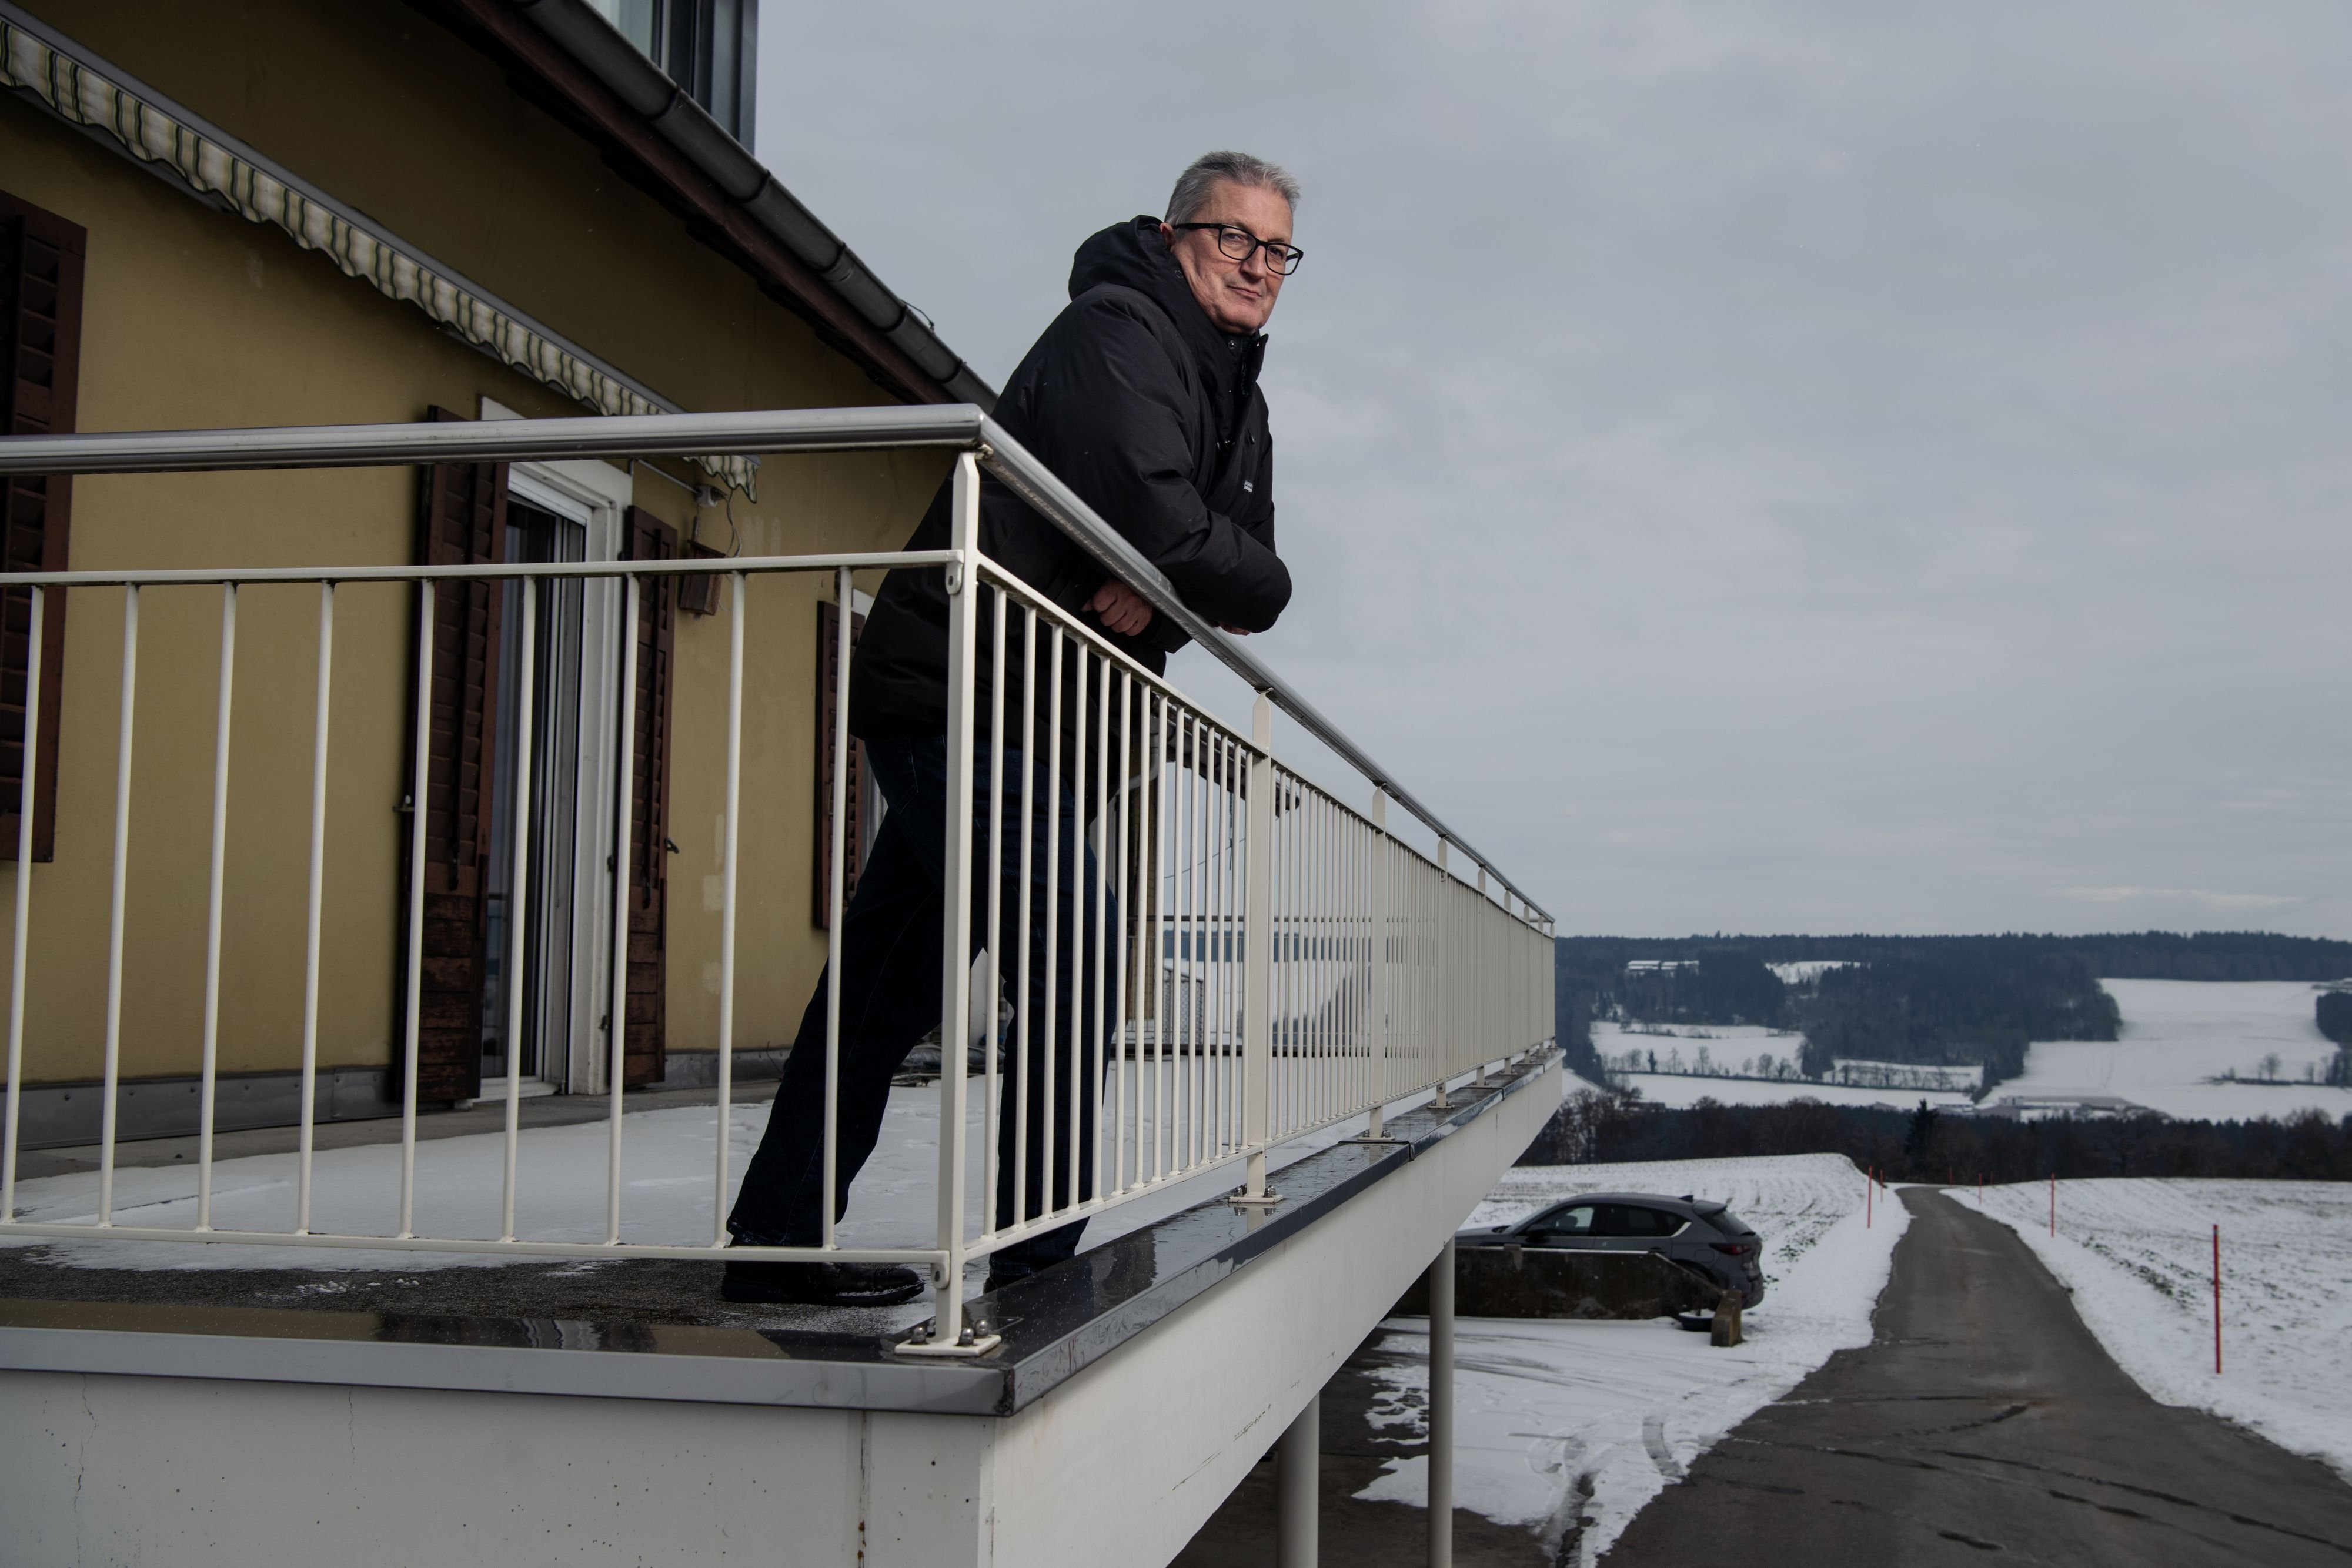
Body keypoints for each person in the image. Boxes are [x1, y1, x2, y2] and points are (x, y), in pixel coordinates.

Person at [723, 151, 1303, 1306]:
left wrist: (1171, 577)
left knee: (885, 986)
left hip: (1041, 725)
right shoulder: (1117, 330)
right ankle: (1036, 1268)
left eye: (1276, 248)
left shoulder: (1236, 391)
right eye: (1231, 237)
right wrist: (1176, 561)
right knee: (1079, 942)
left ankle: (775, 1241)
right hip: (964, 697)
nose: (1255, 266)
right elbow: (1187, 536)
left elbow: (1237, 563)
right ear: (1173, 230)